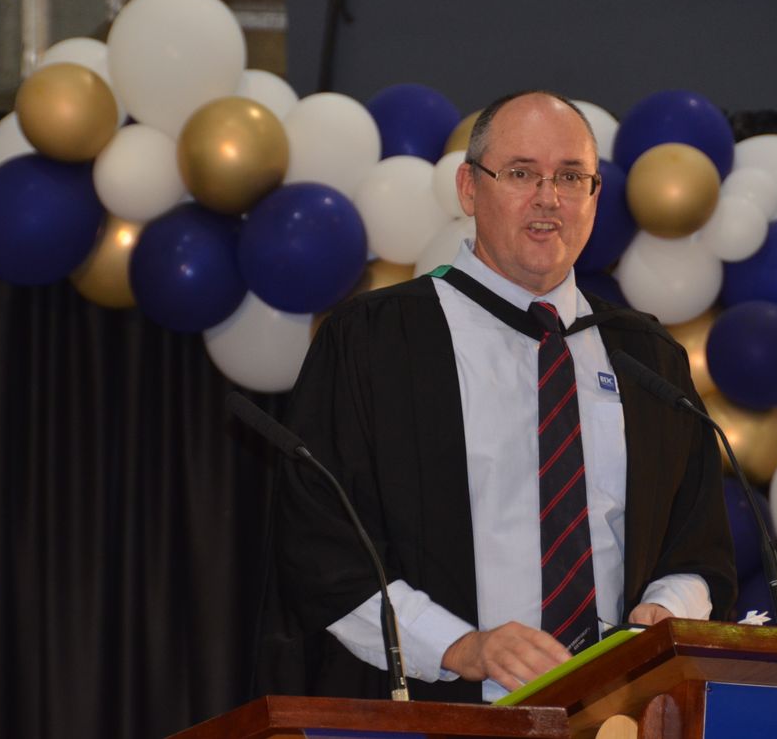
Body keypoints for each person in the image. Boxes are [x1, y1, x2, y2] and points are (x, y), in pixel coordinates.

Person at [256, 90, 736, 704]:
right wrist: (461, 647)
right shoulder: (374, 341)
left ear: (594, 197)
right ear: (467, 189)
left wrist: (663, 611)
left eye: (570, 177)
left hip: (614, 714)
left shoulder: (645, 357)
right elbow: (321, 551)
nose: (548, 198)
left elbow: (699, 548)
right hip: (437, 712)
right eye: (520, 173)